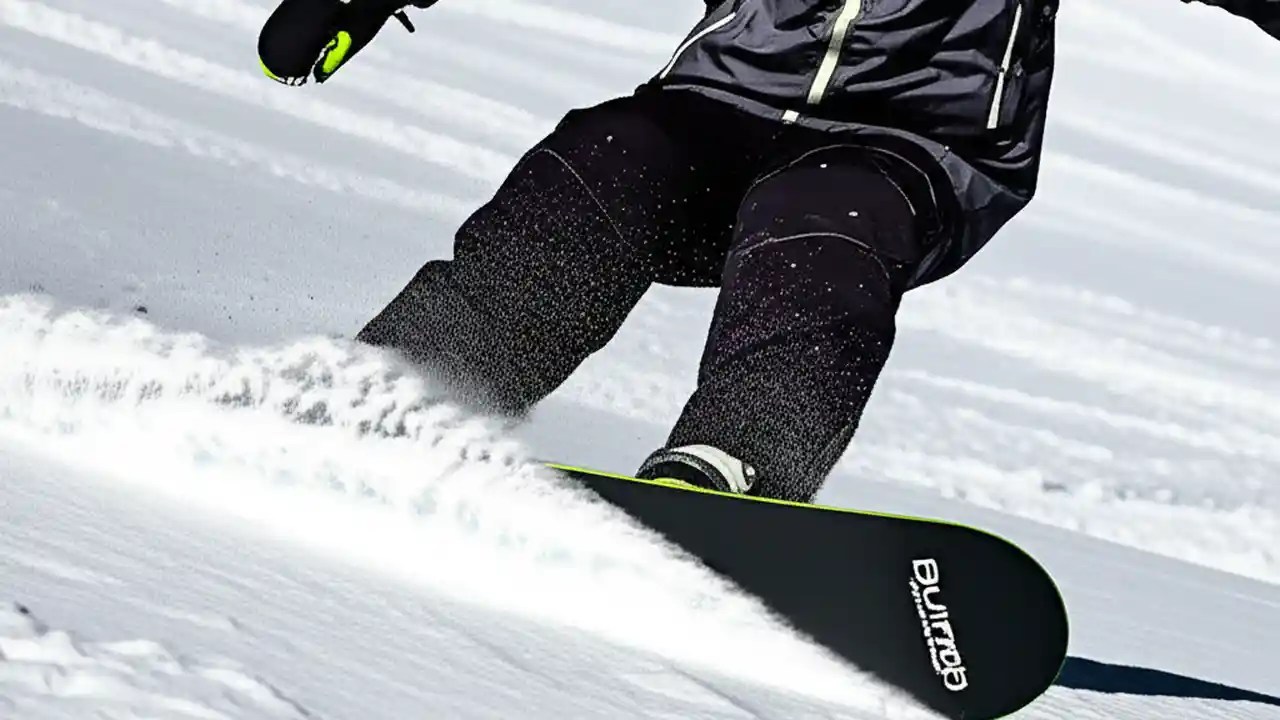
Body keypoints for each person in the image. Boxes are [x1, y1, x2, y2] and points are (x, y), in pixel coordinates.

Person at [258, 0, 1279, 502]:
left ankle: (733, 468)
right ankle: (408, 390)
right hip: (718, 106)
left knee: (821, 210)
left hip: (915, 146)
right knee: (612, 157)